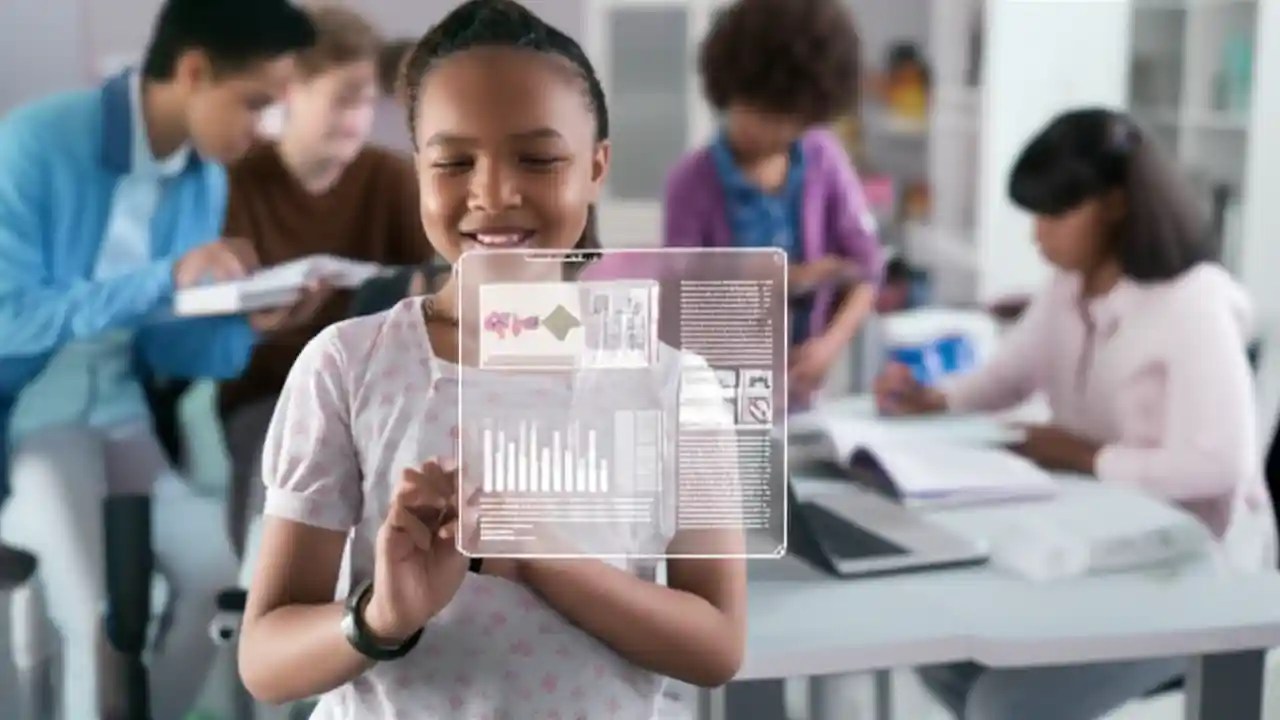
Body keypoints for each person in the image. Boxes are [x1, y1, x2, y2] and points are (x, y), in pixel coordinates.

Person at [237, 2, 747, 717]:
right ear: (419, 171)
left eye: (538, 158)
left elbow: (716, 646)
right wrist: (381, 616)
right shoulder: (347, 368)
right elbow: (265, 661)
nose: (493, 193)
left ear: (597, 166)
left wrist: (542, 558)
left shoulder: (672, 385)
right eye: (453, 162)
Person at [875, 108, 1277, 720]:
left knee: (1002, 701)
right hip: (1105, 550)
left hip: (1195, 575)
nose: (1038, 234)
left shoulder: (1193, 303)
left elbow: (1219, 465)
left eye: (1054, 214)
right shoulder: (1070, 287)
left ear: (1114, 204)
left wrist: (1086, 456)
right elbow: (1009, 376)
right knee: (946, 663)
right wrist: (936, 398)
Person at [0, 1, 322, 718]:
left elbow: (168, 343)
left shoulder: (199, 179)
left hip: (119, 419)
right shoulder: (36, 144)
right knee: (97, 616)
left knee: (219, 588)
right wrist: (166, 278)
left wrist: (253, 320)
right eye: (256, 103)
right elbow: (8, 318)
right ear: (195, 70)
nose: (263, 127)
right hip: (30, 424)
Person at [217, 4, 433, 565]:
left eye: (366, 100)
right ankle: (264, 612)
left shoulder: (392, 179)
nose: (358, 116)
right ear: (290, 92)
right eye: (344, 97)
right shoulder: (236, 183)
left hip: (379, 393)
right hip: (270, 394)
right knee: (287, 470)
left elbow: (433, 287)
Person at [665, 0, 886, 409]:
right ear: (729, 89)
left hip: (803, 401)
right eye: (760, 113)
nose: (773, 131)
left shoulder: (825, 160)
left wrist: (828, 347)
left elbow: (867, 271)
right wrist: (784, 279)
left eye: (790, 119)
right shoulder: (690, 184)